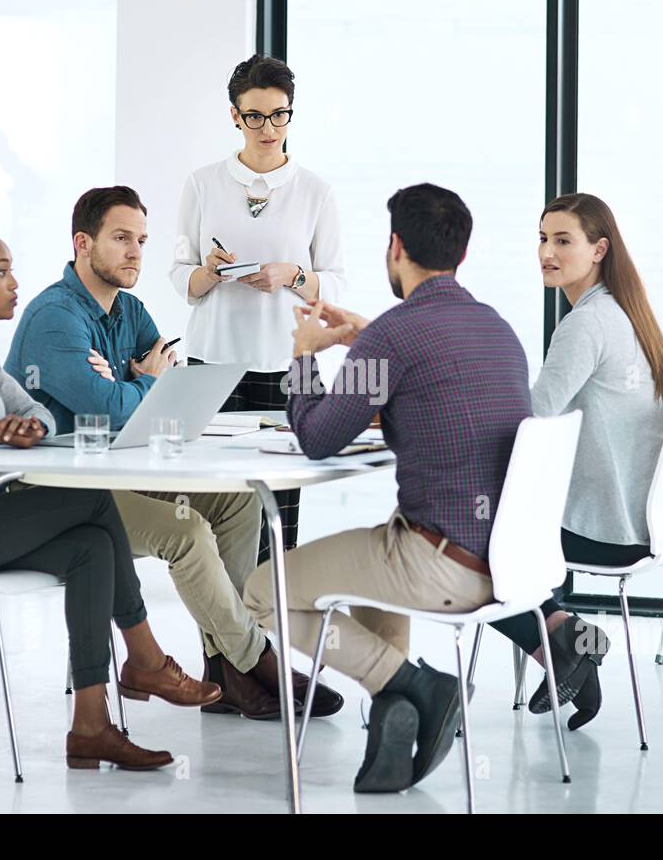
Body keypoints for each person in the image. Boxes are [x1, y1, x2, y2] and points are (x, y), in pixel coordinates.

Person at [242, 183, 591, 794]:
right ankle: (391, 723)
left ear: (395, 246)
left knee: (260, 591)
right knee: (367, 569)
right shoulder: (497, 329)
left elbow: (318, 437)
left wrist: (301, 356)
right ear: (461, 252)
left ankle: (412, 685)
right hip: (510, 567)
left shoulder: (393, 337)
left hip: (440, 568)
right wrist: (364, 337)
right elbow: (432, 371)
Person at [0, 198, 221, 774]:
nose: (15, 284)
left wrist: (29, 425)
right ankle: (146, 658)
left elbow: (41, 415)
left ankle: (91, 726)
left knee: (91, 546)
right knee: (92, 499)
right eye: (0, 272)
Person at [6, 186, 343, 721]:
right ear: (82, 243)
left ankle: (225, 671)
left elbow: (170, 391)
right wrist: (142, 382)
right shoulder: (55, 317)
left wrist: (137, 383)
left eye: (141, 239)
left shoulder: (129, 309)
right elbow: (115, 408)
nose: (136, 252)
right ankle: (257, 660)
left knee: (238, 503)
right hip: (58, 490)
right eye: (121, 239)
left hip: (113, 475)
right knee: (185, 532)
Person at [487, 192, 663, 730]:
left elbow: (534, 418)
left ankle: (564, 640)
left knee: (464, 550)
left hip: (604, 530)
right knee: (500, 537)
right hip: (637, 524)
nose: (547, 251)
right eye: (542, 239)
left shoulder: (587, 324)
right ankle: (567, 644)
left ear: (599, 249)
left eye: (562, 240)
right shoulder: (625, 314)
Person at [170, 54, 347, 563]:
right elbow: (180, 271)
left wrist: (291, 274)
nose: (268, 128)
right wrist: (206, 274)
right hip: (214, 360)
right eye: (255, 116)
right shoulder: (202, 183)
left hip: (287, 365)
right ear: (234, 116)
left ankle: (269, 632)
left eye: (279, 114)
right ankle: (224, 639)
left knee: (278, 515)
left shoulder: (317, 191)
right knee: (212, 511)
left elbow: (334, 283)